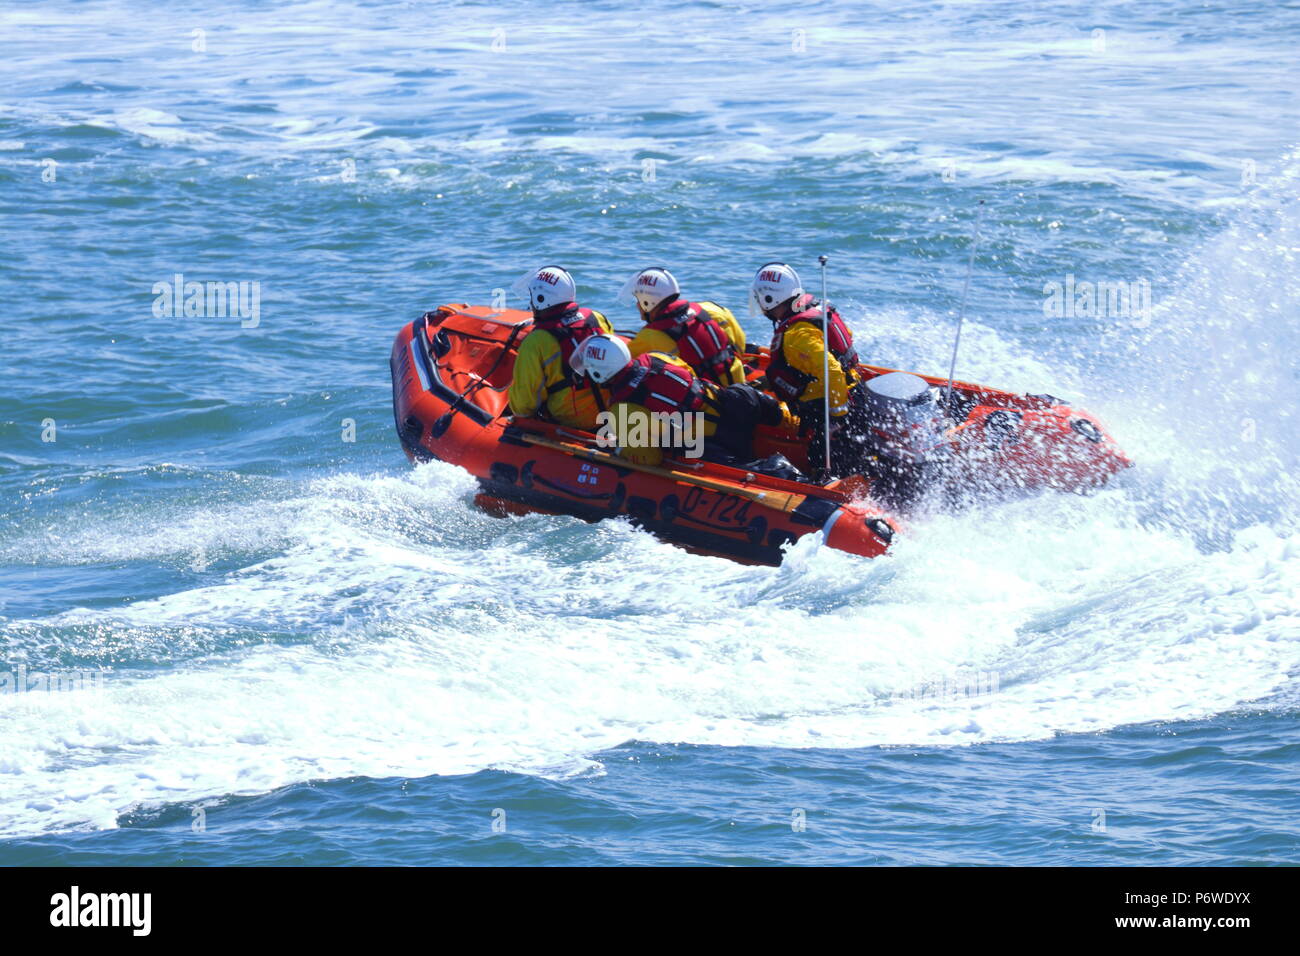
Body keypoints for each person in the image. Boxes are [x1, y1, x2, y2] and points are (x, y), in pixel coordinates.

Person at [570, 334, 790, 467]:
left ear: (600, 374)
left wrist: (620, 449)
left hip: (717, 444)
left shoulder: (622, 412)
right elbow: (689, 374)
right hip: (736, 408)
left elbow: (649, 458)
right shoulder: (656, 357)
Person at [750, 261, 869, 479]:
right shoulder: (814, 311)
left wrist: (837, 419)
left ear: (769, 297)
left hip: (835, 411)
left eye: (759, 297)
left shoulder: (797, 335)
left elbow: (832, 370)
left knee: (825, 466)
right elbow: (843, 342)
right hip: (854, 392)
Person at [507, 265, 615, 430]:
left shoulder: (536, 341)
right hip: (612, 410)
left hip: (575, 422)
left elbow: (523, 405)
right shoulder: (597, 318)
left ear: (540, 299)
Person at [622, 267, 748, 386]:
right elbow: (740, 344)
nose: (637, 305)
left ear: (647, 301)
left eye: (638, 300)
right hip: (740, 384)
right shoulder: (712, 309)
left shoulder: (648, 338)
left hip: (708, 401)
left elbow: (625, 373)